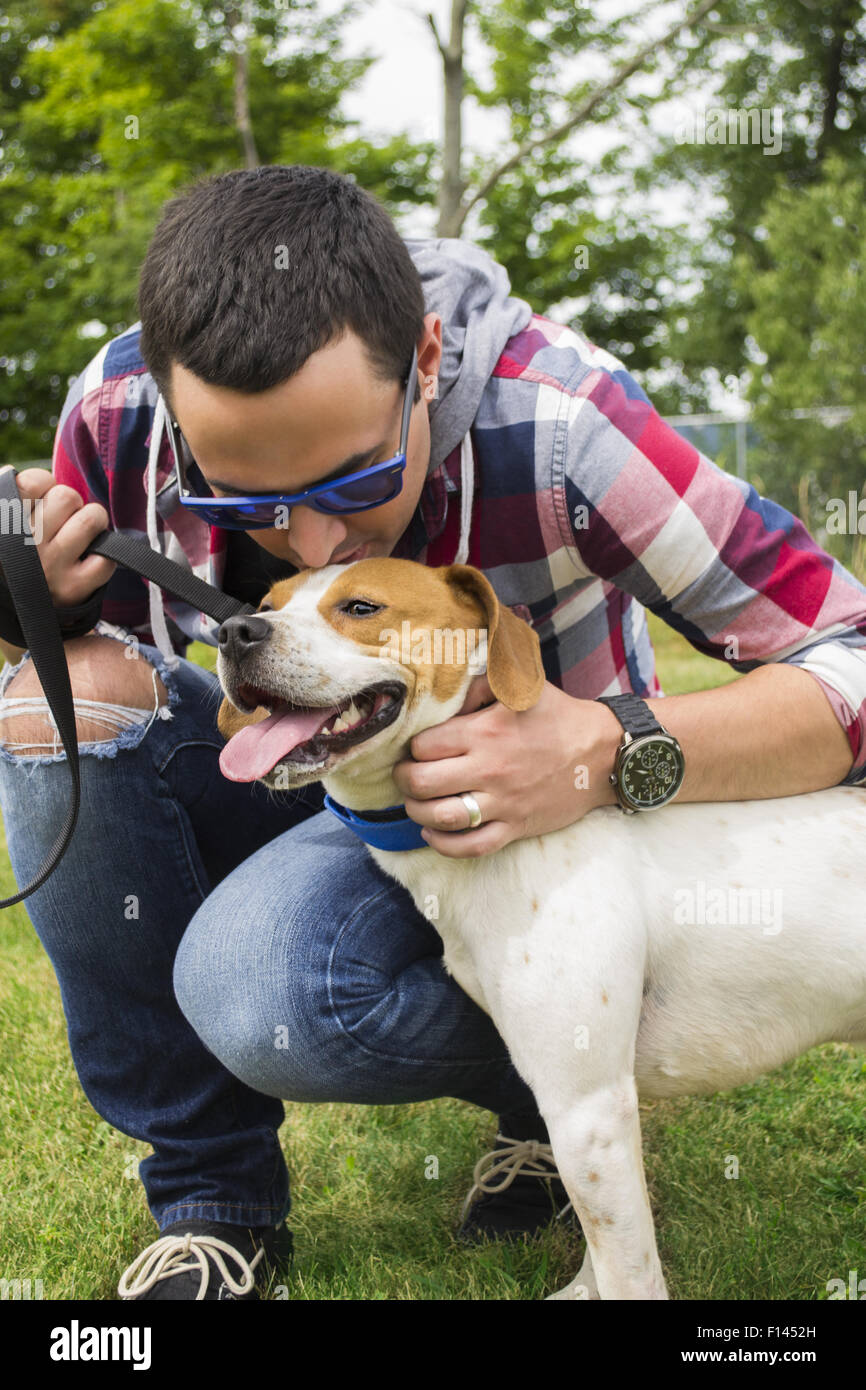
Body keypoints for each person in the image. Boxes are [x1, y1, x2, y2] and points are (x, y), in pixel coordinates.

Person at [1, 164, 864, 1302]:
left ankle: (550, 1078)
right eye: (236, 501)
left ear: (422, 362)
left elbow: (848, 650)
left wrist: (602, 747)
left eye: (351, 479)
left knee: (270, 992)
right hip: (283, 765)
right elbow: (90, 679)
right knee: (52, 706)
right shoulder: (115, 415)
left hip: (550, 840)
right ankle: (211, 1202)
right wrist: (31, 606)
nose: (306, 543)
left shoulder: (560, 423)